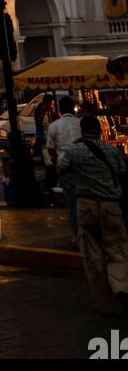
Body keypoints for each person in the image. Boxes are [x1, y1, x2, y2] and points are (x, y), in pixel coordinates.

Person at [58, 114, 128, 315]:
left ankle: (104, 303)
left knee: (93, 255)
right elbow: (122, 170)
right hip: (110, 205)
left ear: (82, 131)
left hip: (86, 204)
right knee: (117, 251)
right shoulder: (111, 150)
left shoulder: (74, 151)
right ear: (100, 130)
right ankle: (121, 288)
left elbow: (61, 169)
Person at [47, 96, 82, 233]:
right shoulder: (80, 122)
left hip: (65, 167)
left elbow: (50, 149)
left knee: (72, 201)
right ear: (73, 107)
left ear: (60, 109)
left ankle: (76, 231)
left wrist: (58, 157)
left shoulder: (54, 126)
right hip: (82, 165)